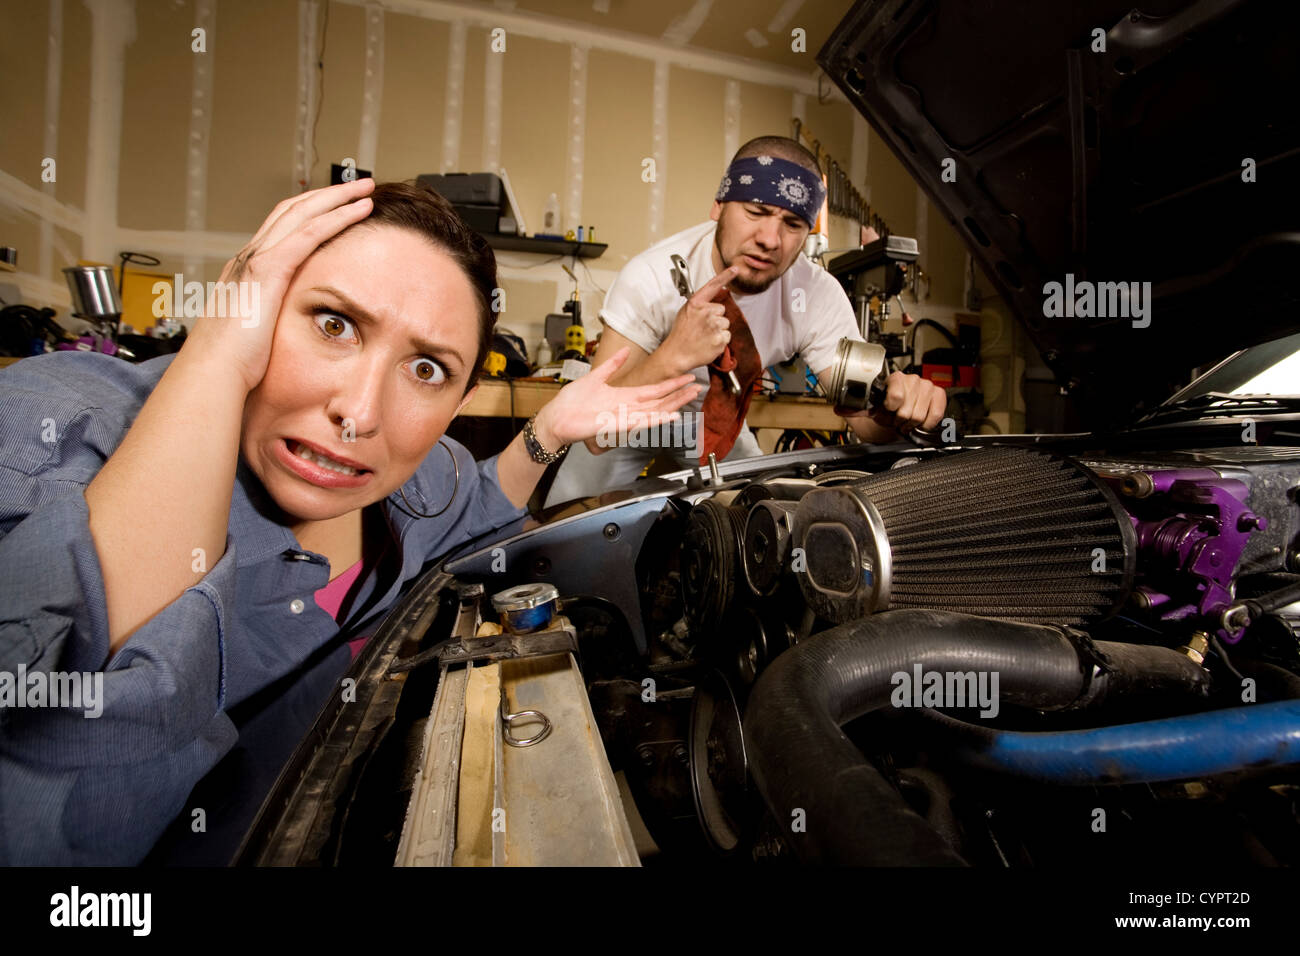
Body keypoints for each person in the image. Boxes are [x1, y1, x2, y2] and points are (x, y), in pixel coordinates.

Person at [0, 178, 697, 864]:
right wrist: (215, 356)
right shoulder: (52, 429)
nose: (360, 414)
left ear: (460, 400)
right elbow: (64, 805)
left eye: (427, 369)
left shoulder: (425, 473)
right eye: (334, 325)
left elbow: (476, 510)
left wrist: (548, 430)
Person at [545, 136, 946, 506]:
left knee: (758, 513)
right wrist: (673, 355)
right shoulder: (649, 277)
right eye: (756, 211)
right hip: (637, 418)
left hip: (716, 424)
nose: (770, 239)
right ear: (718, 206)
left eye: (793, 224)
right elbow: (597, 431)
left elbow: (866, 424)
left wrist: (906, 410)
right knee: (565, 528)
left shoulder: (816, 294)